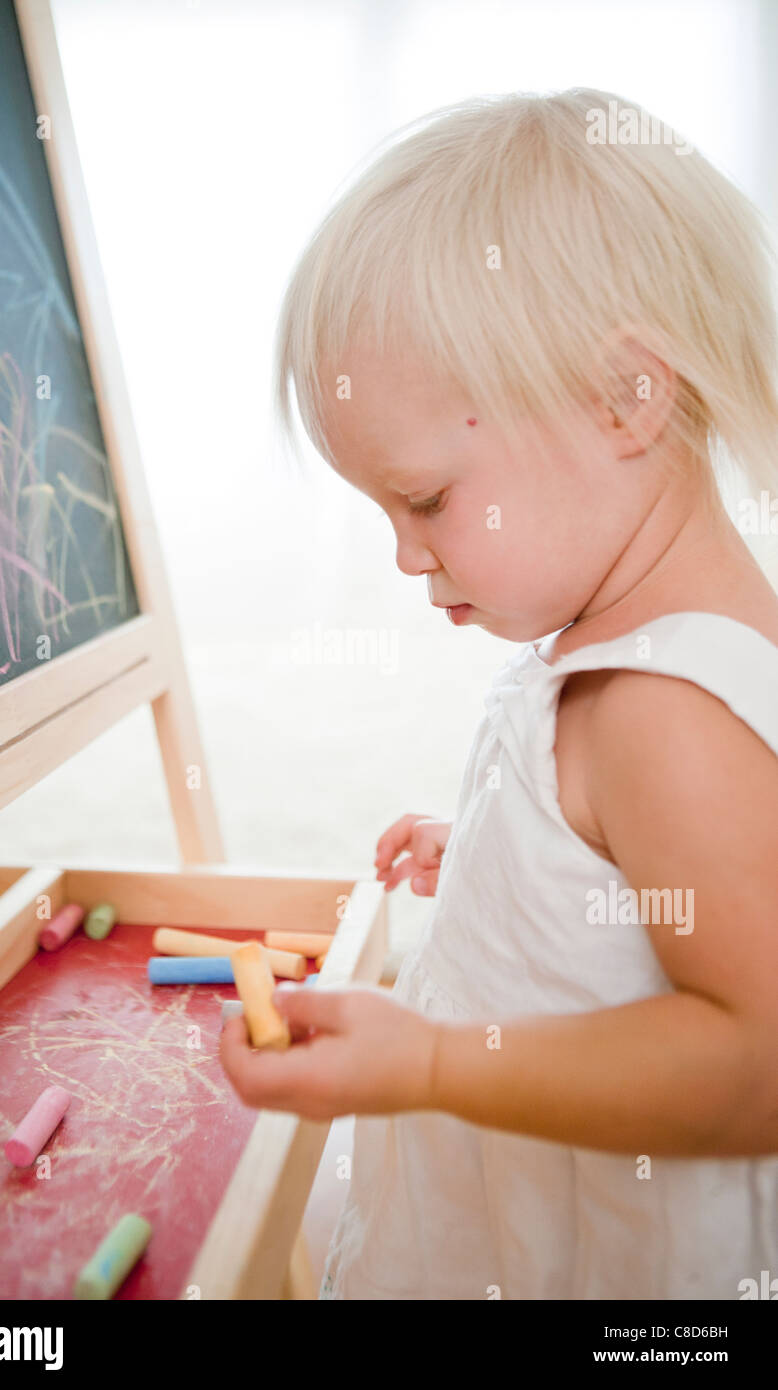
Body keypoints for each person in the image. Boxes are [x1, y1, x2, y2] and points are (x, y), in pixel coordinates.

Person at [220, 89, 778, 1299]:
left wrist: (426, 1061)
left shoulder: (662, 715)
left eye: (421, 500)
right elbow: (642, 881)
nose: (407, 556)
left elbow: (757, 1062)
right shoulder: (629, 661)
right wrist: (500, 850)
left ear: (626, 398)